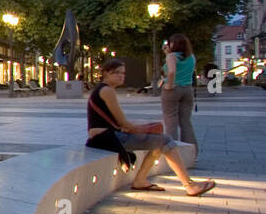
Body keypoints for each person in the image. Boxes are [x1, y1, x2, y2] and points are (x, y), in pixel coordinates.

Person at [86, 59, 214, 196]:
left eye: (123, 73)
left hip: (106, 136)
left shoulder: (103, 89)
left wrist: (143, 129)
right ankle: (189, 185)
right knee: (165, 140)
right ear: (105, 73)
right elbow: (123, 123)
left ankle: (141, 180)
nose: (121, 76)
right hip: (106, 138)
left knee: (160, 141)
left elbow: (118, 123)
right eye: (116, 73)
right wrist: (145, 129)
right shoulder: (106, 90)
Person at [161, 33, 198, 162]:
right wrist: (167, 54)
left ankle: (173, 155)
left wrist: (169, 85)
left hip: (174, 89)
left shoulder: (172, 56)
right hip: (187, 90)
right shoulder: (191, 57)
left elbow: (171, 71)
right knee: (186, 122)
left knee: (171, 122)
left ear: (173, 44)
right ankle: (192, 154)